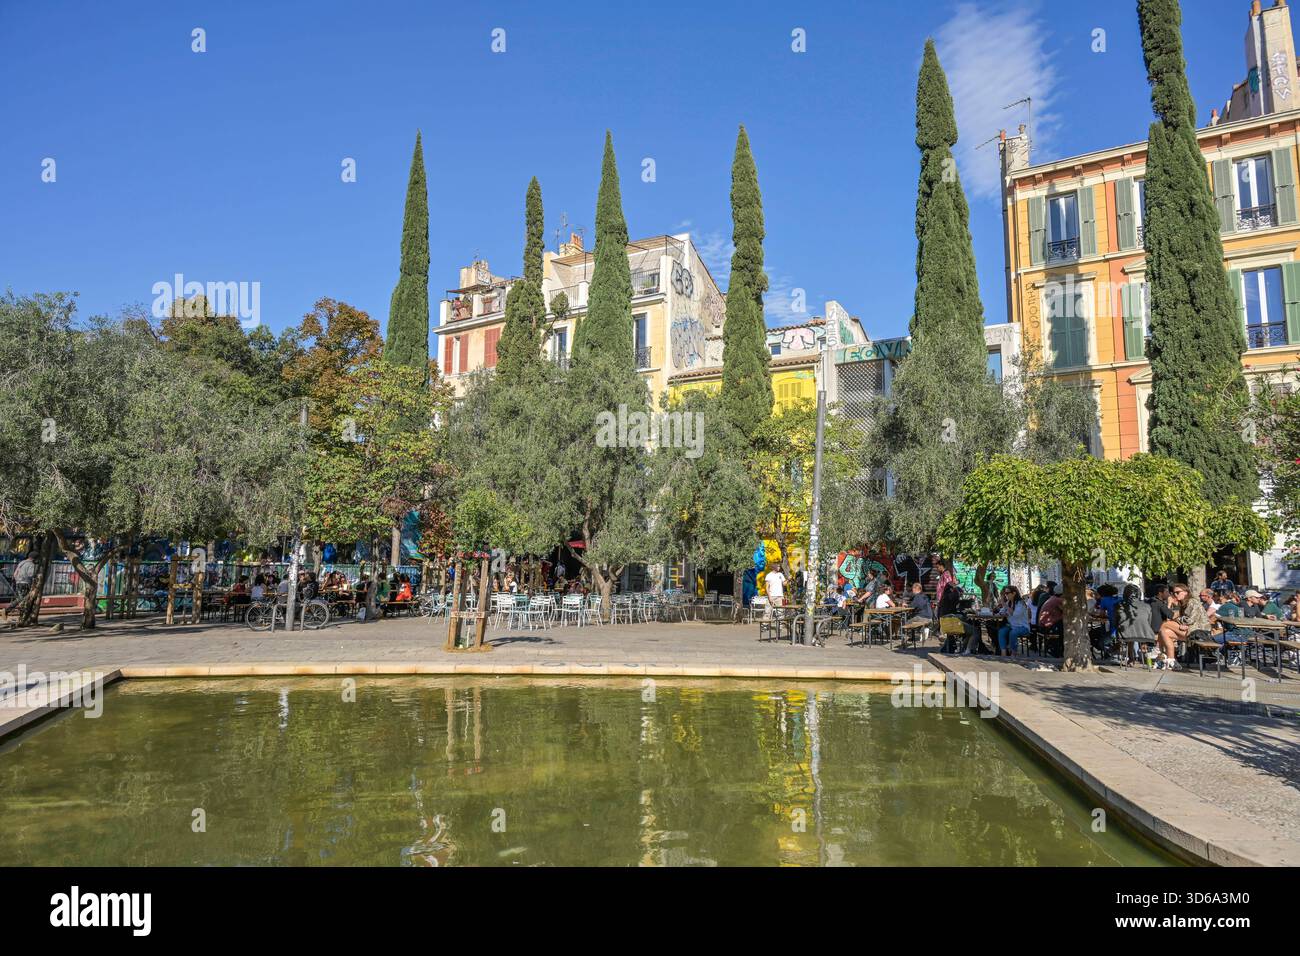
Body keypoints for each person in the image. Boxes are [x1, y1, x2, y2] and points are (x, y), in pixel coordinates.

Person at [1116, 584, 1157, 664]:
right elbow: (1149, 621)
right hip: (1146, 634)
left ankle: (1131, 659)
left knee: (1128, 631)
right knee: (1138, 630)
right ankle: (1144, 658)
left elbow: (1117, 621)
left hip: (1126, 634)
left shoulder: (1120, 605)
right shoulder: (1147, 606)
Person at [996, 586, 1031, 657]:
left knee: (1013, 633)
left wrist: (1005, 605)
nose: (1006, 595)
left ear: (1014, 593)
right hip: (1012, 626)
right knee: (1001, 631)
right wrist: (1001, 612)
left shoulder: (1020, 603)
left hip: (1023, 627)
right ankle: (1003, 653)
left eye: (1007, 593)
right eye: (1005, 593)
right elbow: (1001, 612)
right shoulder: (1008, 602)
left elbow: (1015, 614)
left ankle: (1013, 652)